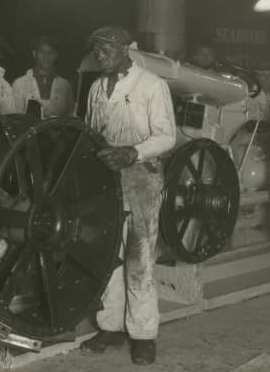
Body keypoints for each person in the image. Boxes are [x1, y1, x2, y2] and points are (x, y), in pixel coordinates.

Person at [77, 27, 176, 365]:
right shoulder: (94, 88)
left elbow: (167, 137)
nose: (99, 54)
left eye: (106, 48)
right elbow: (91, 133)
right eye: (96, 49)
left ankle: (144, 334)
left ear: (126, 49)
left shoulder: (151, 84)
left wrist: (132, 153)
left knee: (139, 255)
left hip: (139, 178)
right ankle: (111, 326)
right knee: (107, 253)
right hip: (104, 180)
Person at [12, 35, 75, 119]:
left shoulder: (65, 85)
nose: (46, 56)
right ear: (34, 53)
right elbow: (15, 119)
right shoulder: (19, 84)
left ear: (56, 55)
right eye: (42, 52)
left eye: (50, 52)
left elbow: (70, 117)